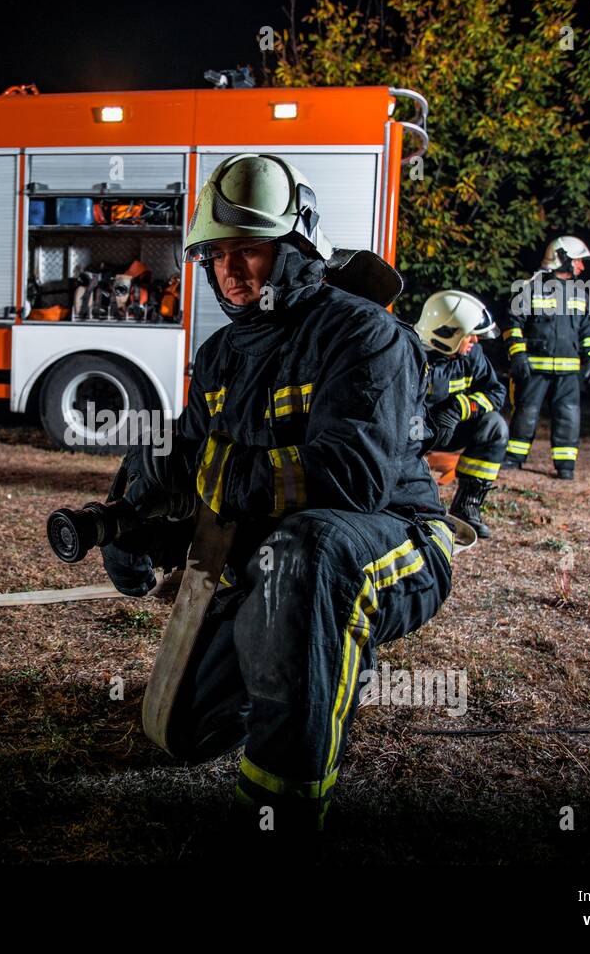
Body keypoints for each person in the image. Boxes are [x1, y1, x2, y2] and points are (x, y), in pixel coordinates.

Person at [100, 153, 454, 838]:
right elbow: (190, 467)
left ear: (295, 248)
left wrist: (213, 470)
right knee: (181, 729)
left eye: (250, 249)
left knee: (311, 551)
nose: (230, 269)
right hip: (270, 558)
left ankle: (284, 811)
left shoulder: (365, 335)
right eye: (216, 253)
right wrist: (134, 518)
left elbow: (352, 479)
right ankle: (298, 664)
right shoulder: (224, 354)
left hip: (391, 542)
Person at [502, 236, 590, 479]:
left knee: (568, 415)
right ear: (563, 258)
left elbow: (586, 330)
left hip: (568, 371)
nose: (582, 267)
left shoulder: (580, 293)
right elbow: (513, 325)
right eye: (578, 261)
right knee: (526, 412)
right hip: (534, 367)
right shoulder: (532, 288)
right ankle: (513, 458)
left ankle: (565, 467)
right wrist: (518, 356)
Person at [415, 289, 508, 538]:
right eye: (470, 336)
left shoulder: (471, 356)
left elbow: (496, 393)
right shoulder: (409, 354)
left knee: (494, 426)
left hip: (452, 428)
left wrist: (459, 408)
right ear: (447, 333)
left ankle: (466, 508)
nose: (476, 342)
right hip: (412, 432)